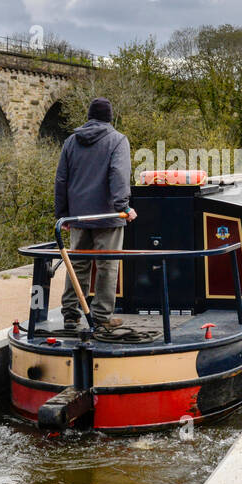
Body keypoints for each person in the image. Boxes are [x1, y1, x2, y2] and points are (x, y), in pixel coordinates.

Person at [54, 97, 137, 333]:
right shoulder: (118, 141)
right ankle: (101, 316)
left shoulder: (71, 141)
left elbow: (61, 179)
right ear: (110, 118)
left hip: (78, 217)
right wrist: (124, 208)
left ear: (89, 117)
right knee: (107, 266)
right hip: (109, 216)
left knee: (77, 266)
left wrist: (63, 214)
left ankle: (70, 315)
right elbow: (118, 174)